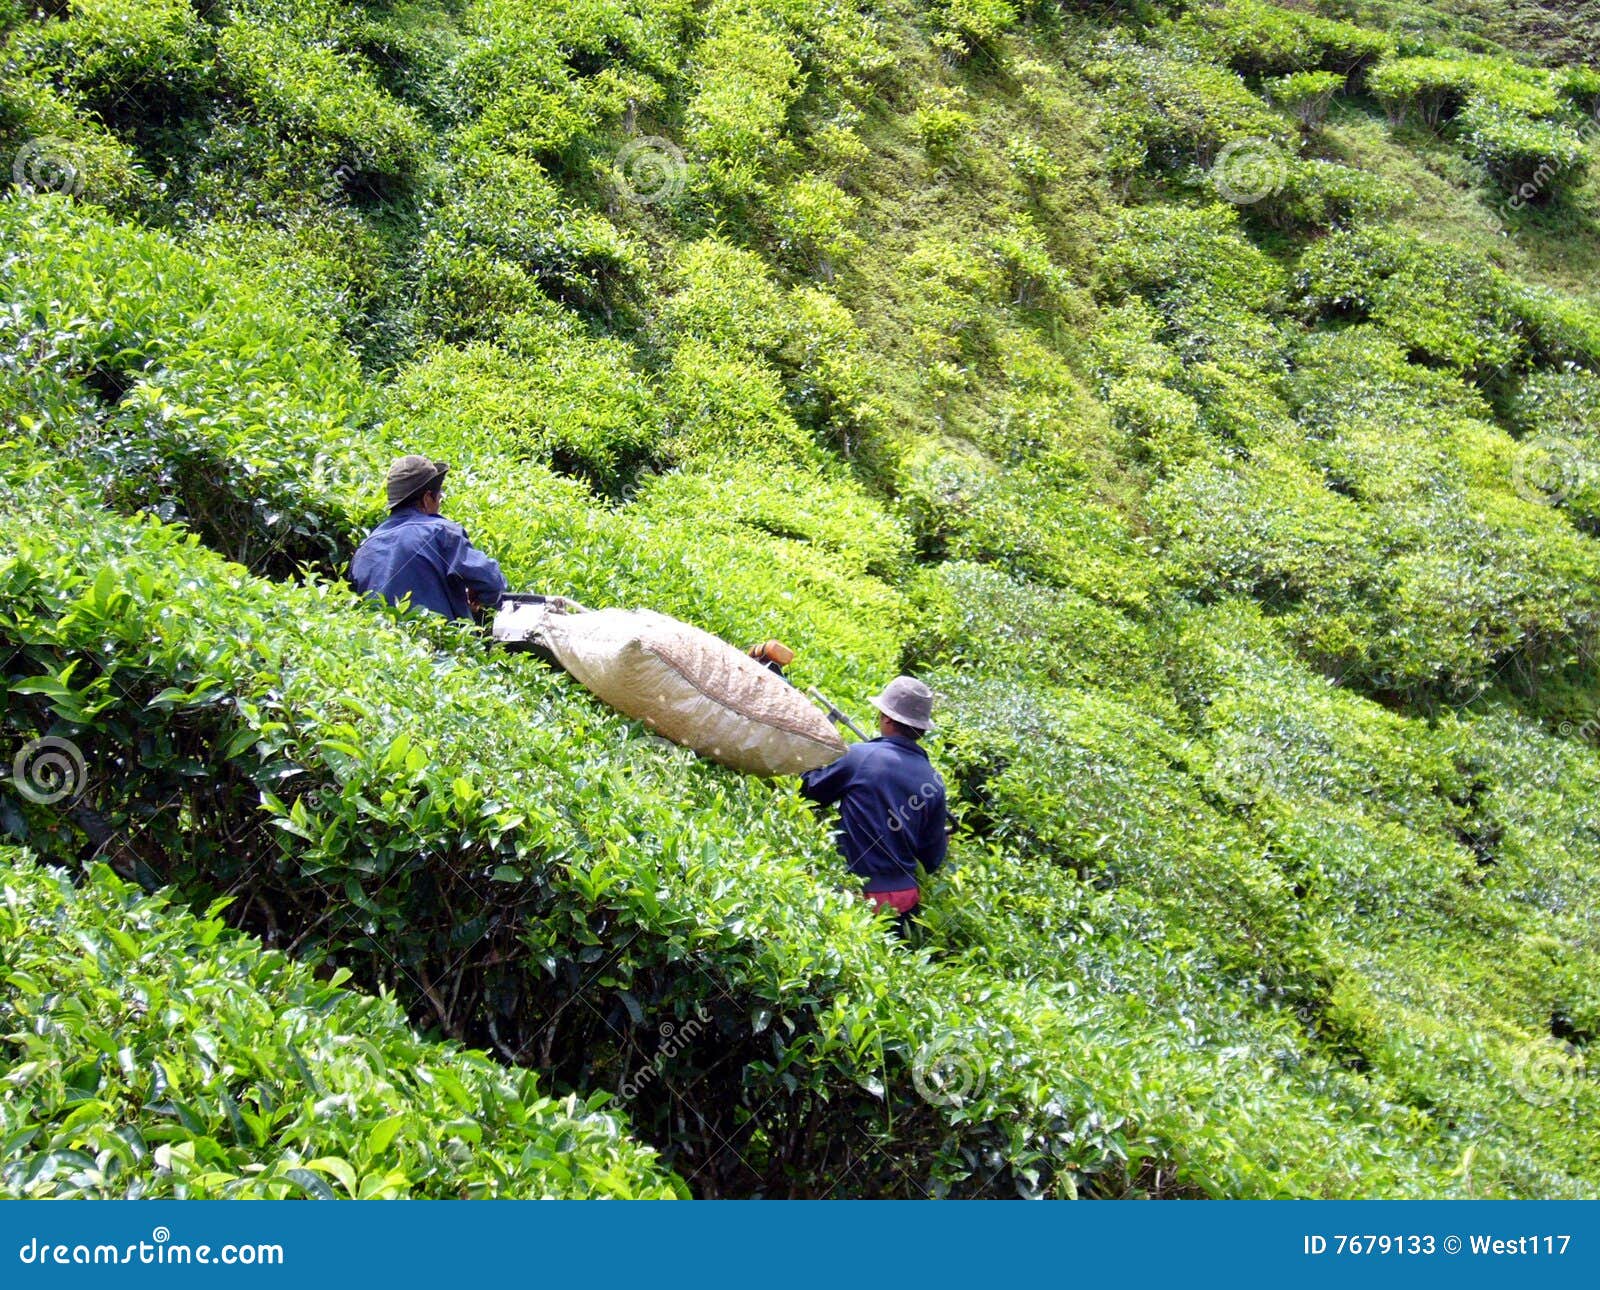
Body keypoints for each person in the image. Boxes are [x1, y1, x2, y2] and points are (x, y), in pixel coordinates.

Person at [799, 676, 948, 931]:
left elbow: (808, 792)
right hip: (905, 902)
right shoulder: (934, 781)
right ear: (921, 729)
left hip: (857, 895)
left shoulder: (860, 756)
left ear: (888, 719)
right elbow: (932, 860)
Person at [350, 454, 508, 622]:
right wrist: (481, 595)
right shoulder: (441, 532)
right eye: (439, 497)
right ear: (427, 499)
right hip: (438, 644)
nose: (439, 504)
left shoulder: (364, 549)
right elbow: (492, 583)